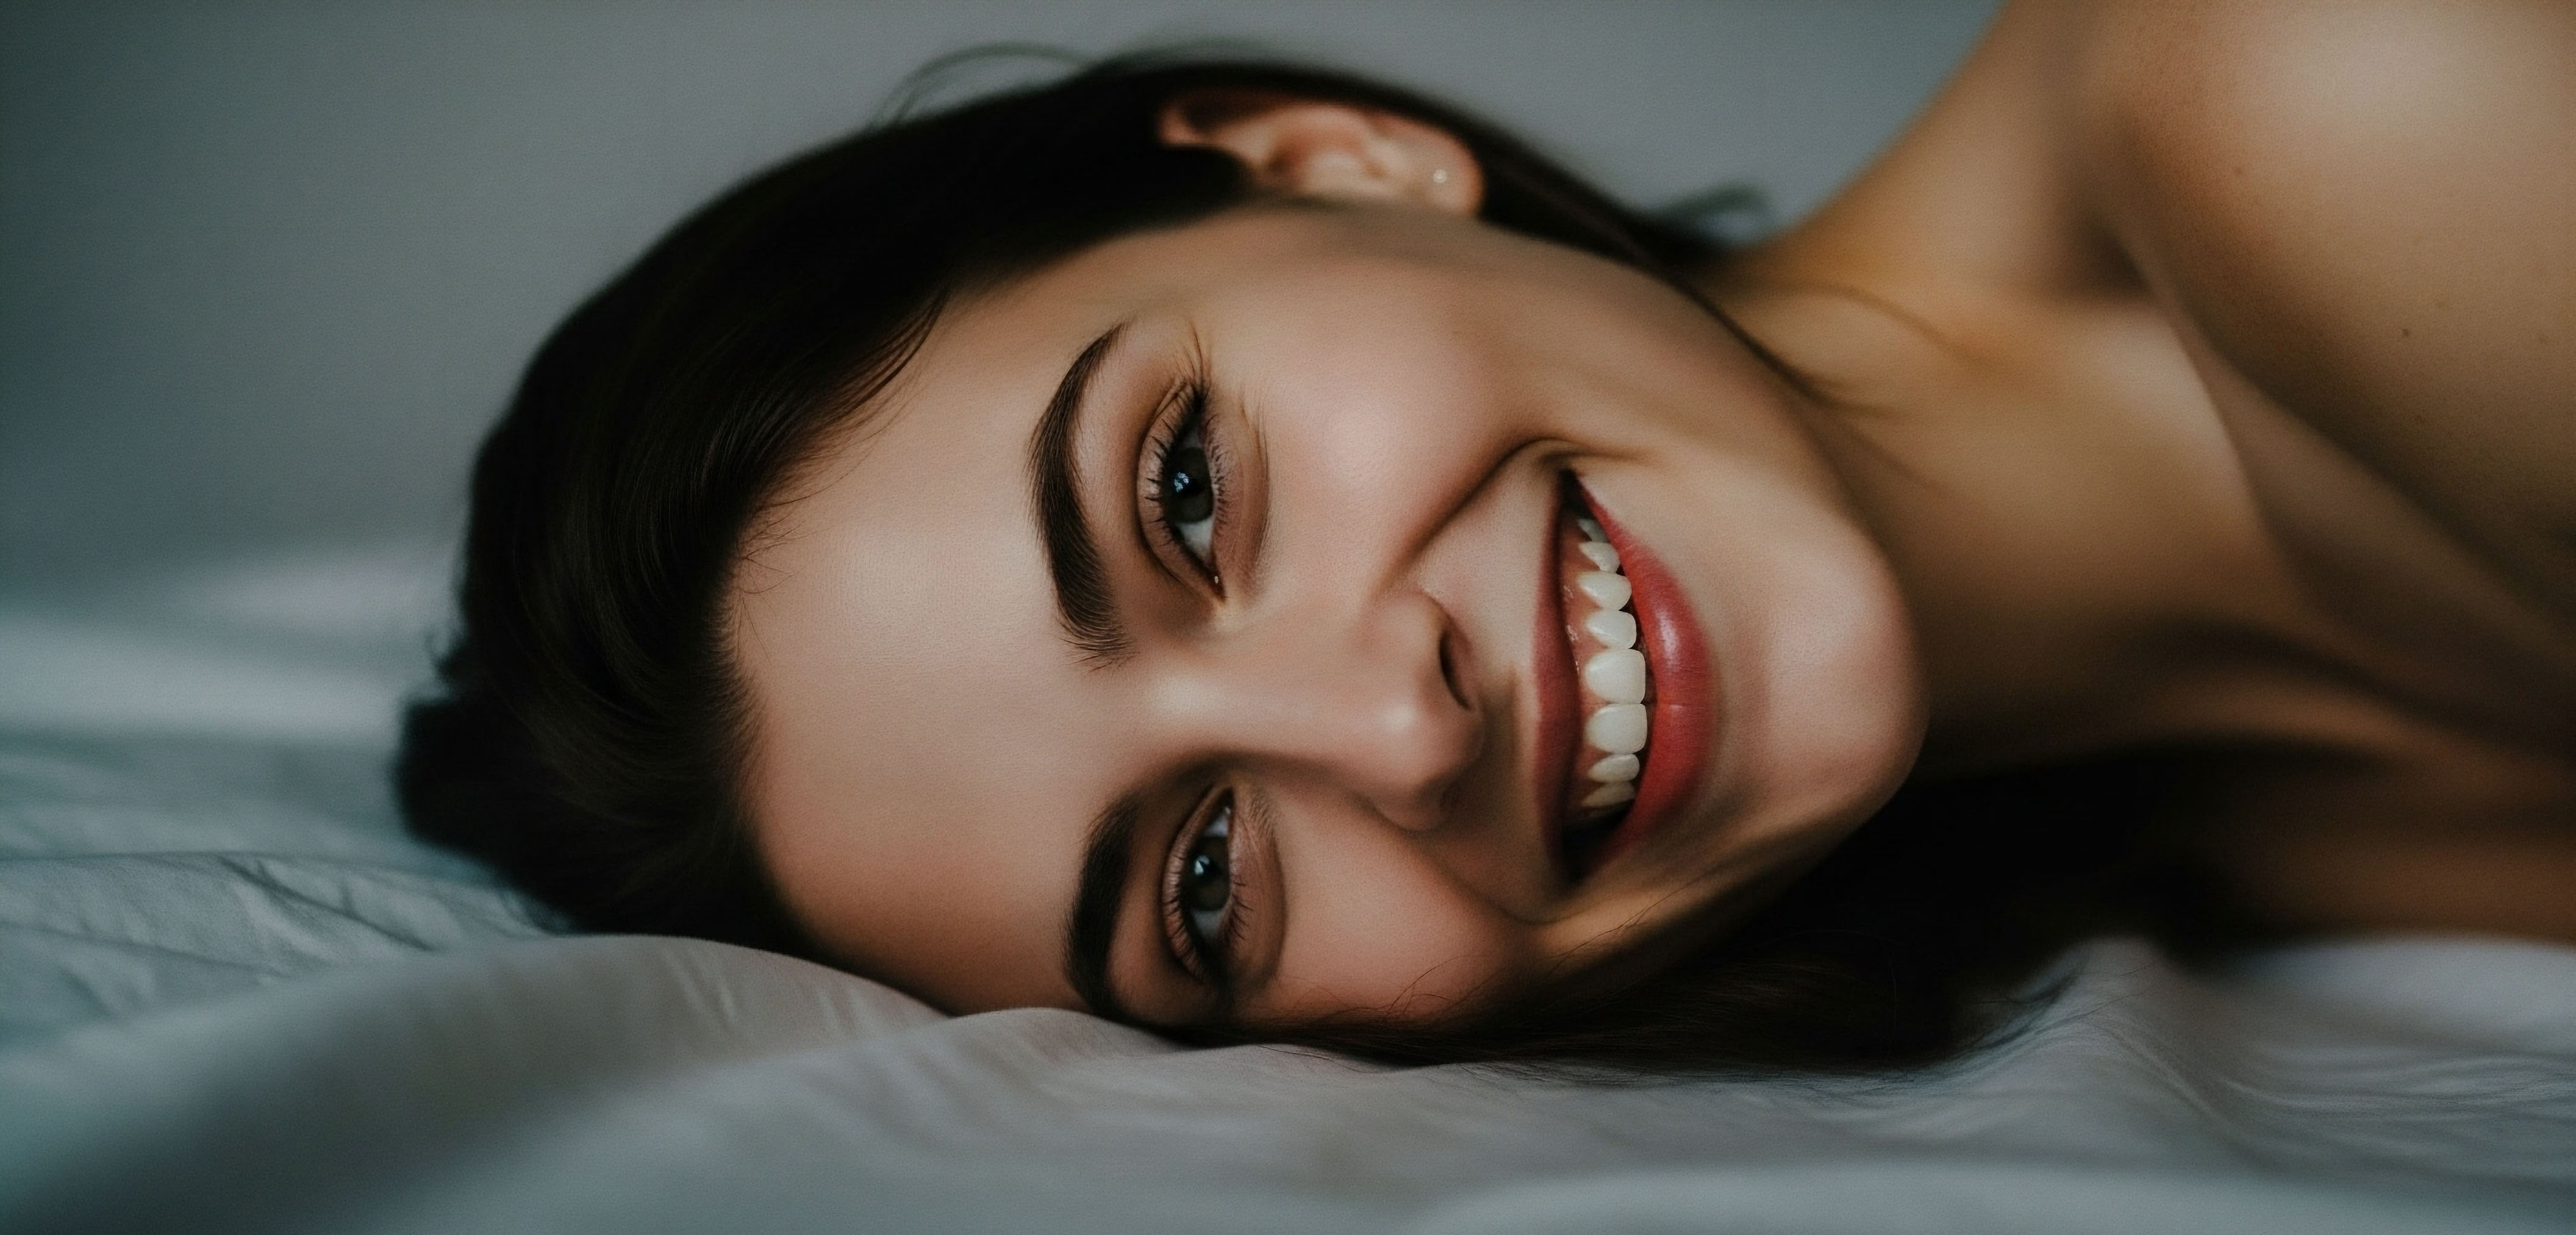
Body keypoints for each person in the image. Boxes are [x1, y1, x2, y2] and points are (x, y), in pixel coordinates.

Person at [400, 1, 2574, 1073]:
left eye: (1179, 491)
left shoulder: (2347, 88)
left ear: (1331, 157)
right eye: (1211, 879)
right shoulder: (2175, 849)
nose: (1393, 730)